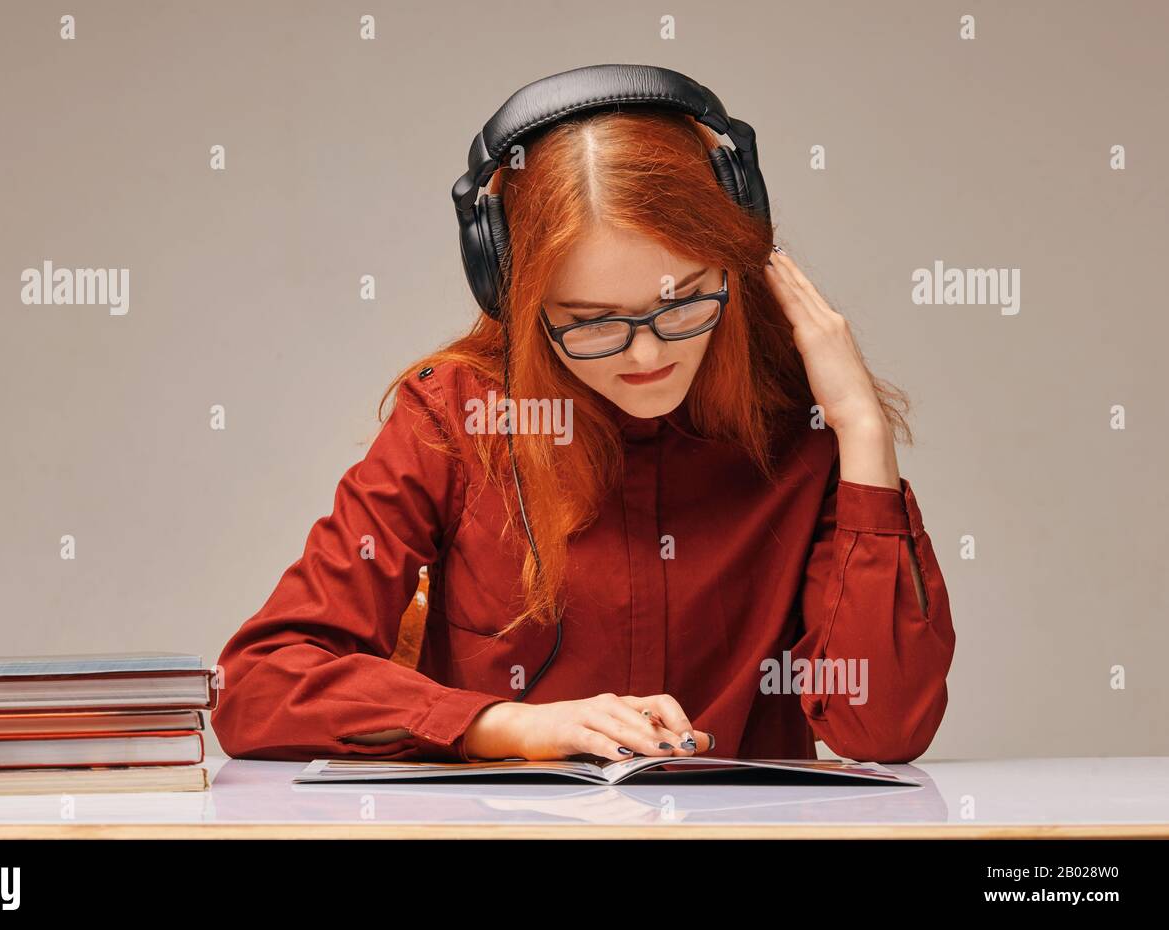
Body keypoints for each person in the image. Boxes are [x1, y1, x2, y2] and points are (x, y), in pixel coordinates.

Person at [211, 70, 954, 766]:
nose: (645, 354)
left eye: (684, 300)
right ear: (517, 297)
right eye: (591, 321)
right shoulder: (454, 419)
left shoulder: (803, 432)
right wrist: (508, 726)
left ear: (737, 261)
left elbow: (882, 726)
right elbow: (260, 688)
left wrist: (859, 426)